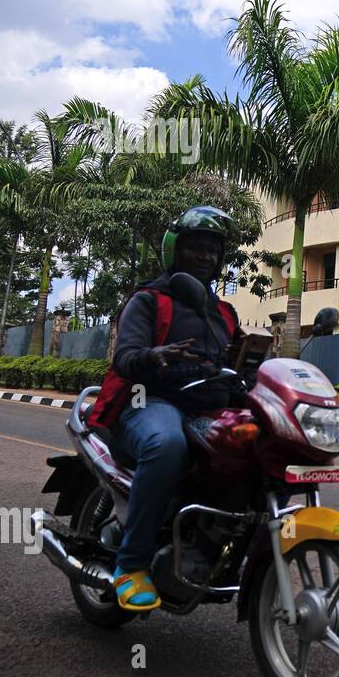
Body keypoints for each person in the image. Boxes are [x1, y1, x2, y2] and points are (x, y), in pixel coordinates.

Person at [87, 206, 241, 611]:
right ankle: (131, 566)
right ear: (175, 253)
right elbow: (126, 358)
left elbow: (236, 364)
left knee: (252, 449)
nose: (206, 257)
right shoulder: (149, 299)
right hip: (149, 402)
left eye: (212, 250)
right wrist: (156, 356)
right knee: (167, 443)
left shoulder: (224, 313)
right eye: (197, 249)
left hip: (205, 408)